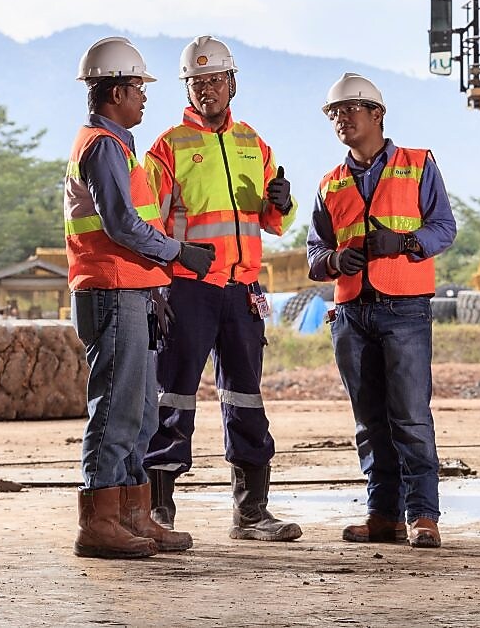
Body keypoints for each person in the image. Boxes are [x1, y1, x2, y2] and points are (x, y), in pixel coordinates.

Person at [140, 35, 302, 542]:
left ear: (232, 83)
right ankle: (159, 512)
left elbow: (274, 223)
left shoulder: (256, 144)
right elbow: (148, 222)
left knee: (246, 399)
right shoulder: (167, 147)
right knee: (173, 398)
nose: (206, 90)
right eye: (196, 83)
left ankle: (251, 514)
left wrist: (282, 201)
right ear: (186, 89)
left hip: (242, 290)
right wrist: (156, 287)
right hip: (188, 290)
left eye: (214, 80)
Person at [65, 36, 216, 559]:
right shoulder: (102, 146)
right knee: (116, 408)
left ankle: (133, 514)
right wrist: (178, 253)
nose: (144, 98)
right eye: (137, 89)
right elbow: (124, 224)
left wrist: (158, 277)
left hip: (133, 288)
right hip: (110, 287)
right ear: (114, 92)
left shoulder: (118, 145)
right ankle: (100, 521)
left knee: (141, 412)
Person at [306, 72, 457, 549]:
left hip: (405, 310)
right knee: (369, 421)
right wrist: (332, 260)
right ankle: (383, 515)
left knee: (410, 416)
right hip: (352, 316)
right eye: (334, 112)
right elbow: (314, 254)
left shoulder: (418, 164)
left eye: (351, 109)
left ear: (377, 115)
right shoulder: (329, 185)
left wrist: (405, 242)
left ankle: (422, 516)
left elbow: (444, 228)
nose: (341, 119)